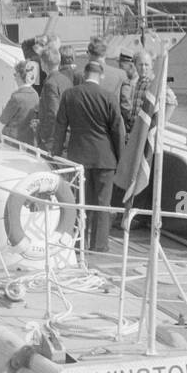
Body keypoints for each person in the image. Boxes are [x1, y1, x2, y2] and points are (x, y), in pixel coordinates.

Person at [52, 60, 124, 253]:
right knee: (102, 204)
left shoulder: (70, 95)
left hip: (78, 158)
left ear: (84, 74)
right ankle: (99, 246)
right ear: (101, 76)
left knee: (79, 201)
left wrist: (55, 155)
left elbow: (60, 127)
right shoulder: (109, 97)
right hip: (105, 159)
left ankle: (78, 243)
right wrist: (120, 158)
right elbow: (118, 131)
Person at [35, 46, 71, 151]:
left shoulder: (50, 83)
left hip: (53, 139)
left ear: (43, 64)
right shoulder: (66, 80)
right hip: (66, 134)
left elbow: (53, 113)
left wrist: (44, 136)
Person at [0, 60, 38, 144]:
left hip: (12, 140)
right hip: (28, 139)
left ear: (19, 76)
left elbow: (3, 119)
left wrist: (3, 111)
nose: (14, 77)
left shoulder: (16, 97)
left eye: (15, 75)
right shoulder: (35, 95)